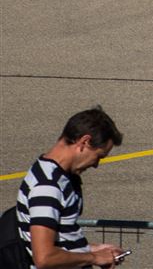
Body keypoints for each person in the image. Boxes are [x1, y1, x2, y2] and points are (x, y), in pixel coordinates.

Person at [16, 107, 125, 269]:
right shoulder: (48, 186)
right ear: (84, 142)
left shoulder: (52, 174)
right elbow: (45, 257)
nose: (96, 165)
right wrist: (94, 257)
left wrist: (91, 249)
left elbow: (59, 239)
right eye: (98, 156)